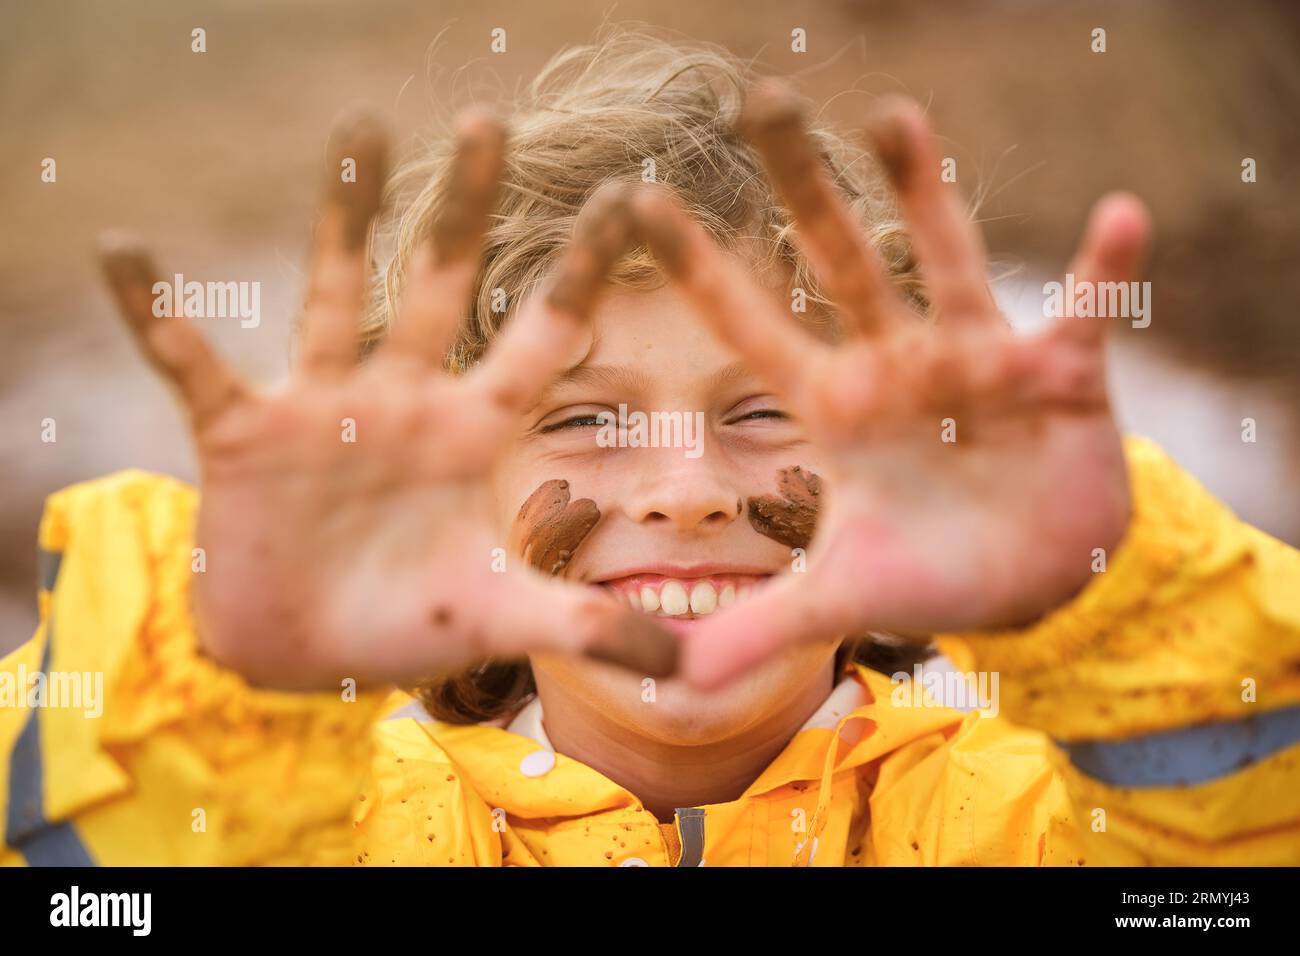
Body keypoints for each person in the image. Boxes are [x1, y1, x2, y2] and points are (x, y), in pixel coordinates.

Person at [4, 29, 1298, 867]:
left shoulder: (1052, 828)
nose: (685, 493)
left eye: (762, 412)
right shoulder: (306, 834)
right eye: (582, 421)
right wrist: (233, 680)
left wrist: (1120, 605)